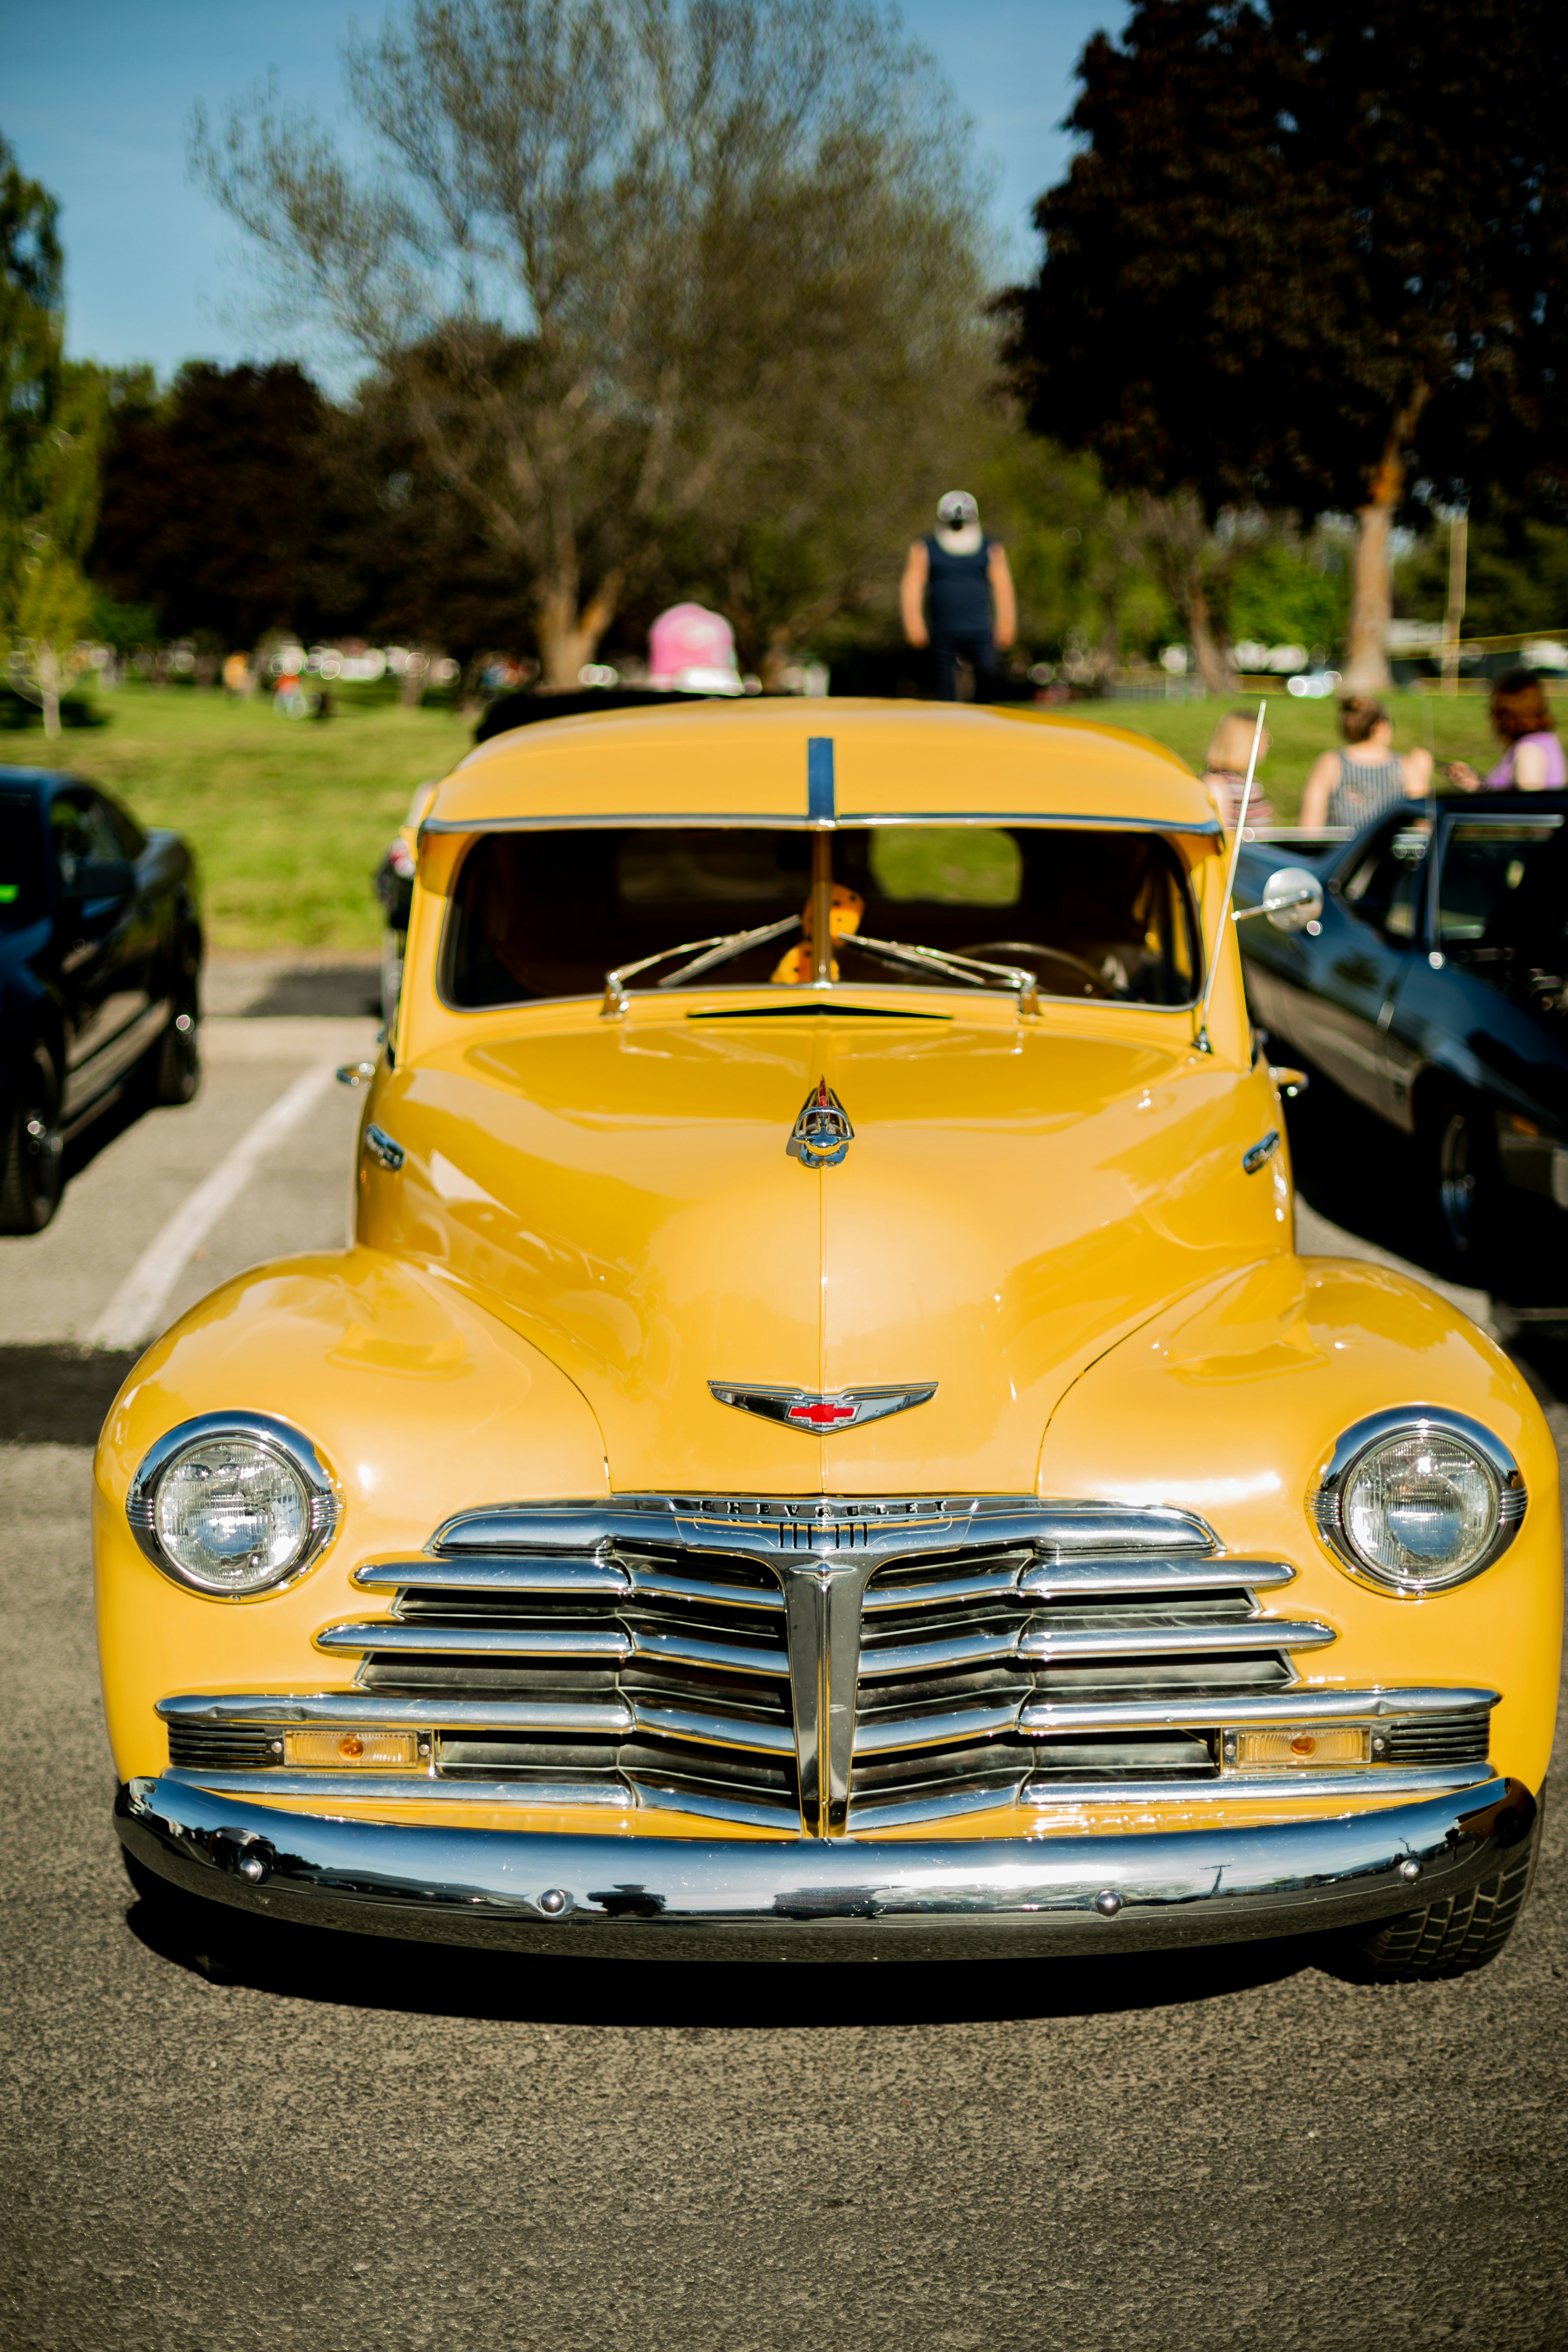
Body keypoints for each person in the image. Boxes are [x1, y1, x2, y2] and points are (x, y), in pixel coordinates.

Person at [901, 492, 1016, 701]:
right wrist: (914, 625)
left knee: (987, 682)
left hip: (981, 631)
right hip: (942, 631)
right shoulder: (924, 548)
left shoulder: (991, 548)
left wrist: (1006, 625)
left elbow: (1003, 587)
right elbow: (912, 586)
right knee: (943, 689)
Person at [1300, 697, 1432, 830]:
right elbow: (1422, 824)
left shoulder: (1331, 762)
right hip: (1389, 850)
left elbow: (1310, 826)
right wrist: (1423, 776)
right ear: (1381, 725)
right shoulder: (1404, 765)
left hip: (1344, 849)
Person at [1447, 669, 1567, 793]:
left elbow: (1529, 808)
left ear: (1507, 713)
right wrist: (1477, 786)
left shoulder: (1529, 752)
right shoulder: (1546, 740)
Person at [1199, 709, 1276, 832]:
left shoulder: (1250, 782)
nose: (1267, 745)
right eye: (1264, 739)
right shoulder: (1217, 784)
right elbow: (1222, 837)